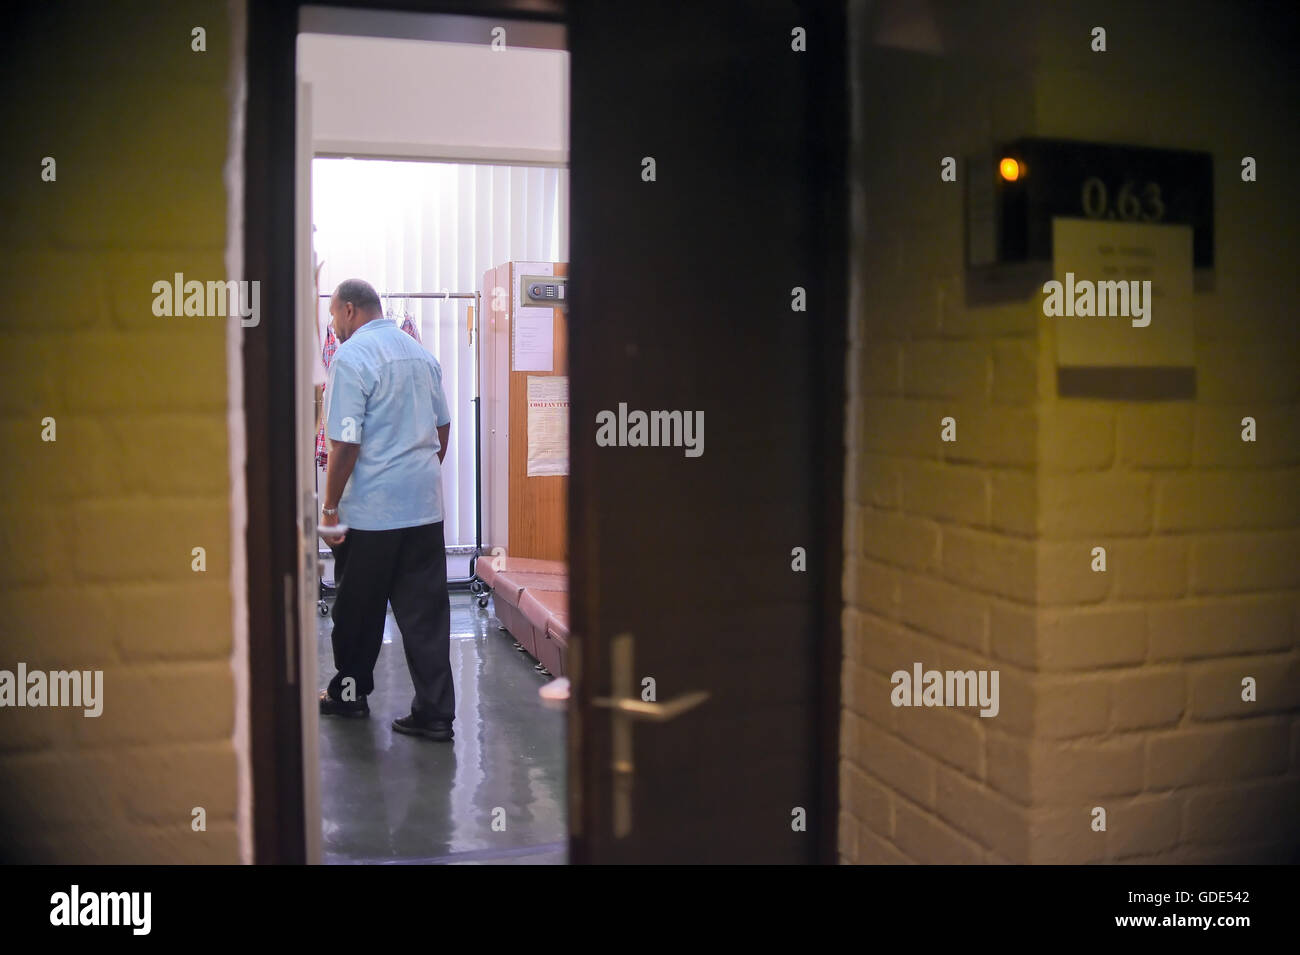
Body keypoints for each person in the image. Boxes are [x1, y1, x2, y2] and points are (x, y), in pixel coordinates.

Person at [318, 278, 455, 742]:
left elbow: (345, 442)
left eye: (334, 315)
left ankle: (350, 696)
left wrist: (330, 508)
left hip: (372, 514)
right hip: (423, 510)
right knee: (426, 615)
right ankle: (436, 714)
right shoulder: (421, 355)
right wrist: (416, 476)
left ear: (351, 311)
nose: (333, 326)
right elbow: (443, 429)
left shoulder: (351, 357)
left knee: (357, 612)